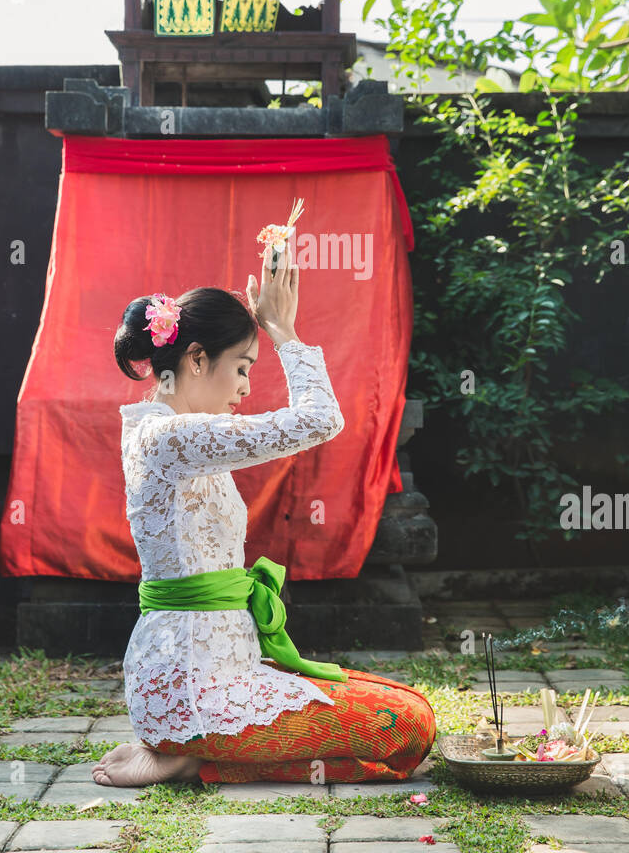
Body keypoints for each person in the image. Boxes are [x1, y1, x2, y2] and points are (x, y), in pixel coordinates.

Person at [92, 239, 436, 788]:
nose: (248, 387)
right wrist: (284, 332)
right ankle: (194, 757)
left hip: (216, 674)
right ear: (198, 358)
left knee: (402, 700)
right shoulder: (166, 437)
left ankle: (189, 754)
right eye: (242, 367)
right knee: (407, 725)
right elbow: (319, 420)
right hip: (193, 689)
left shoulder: (173, 434)